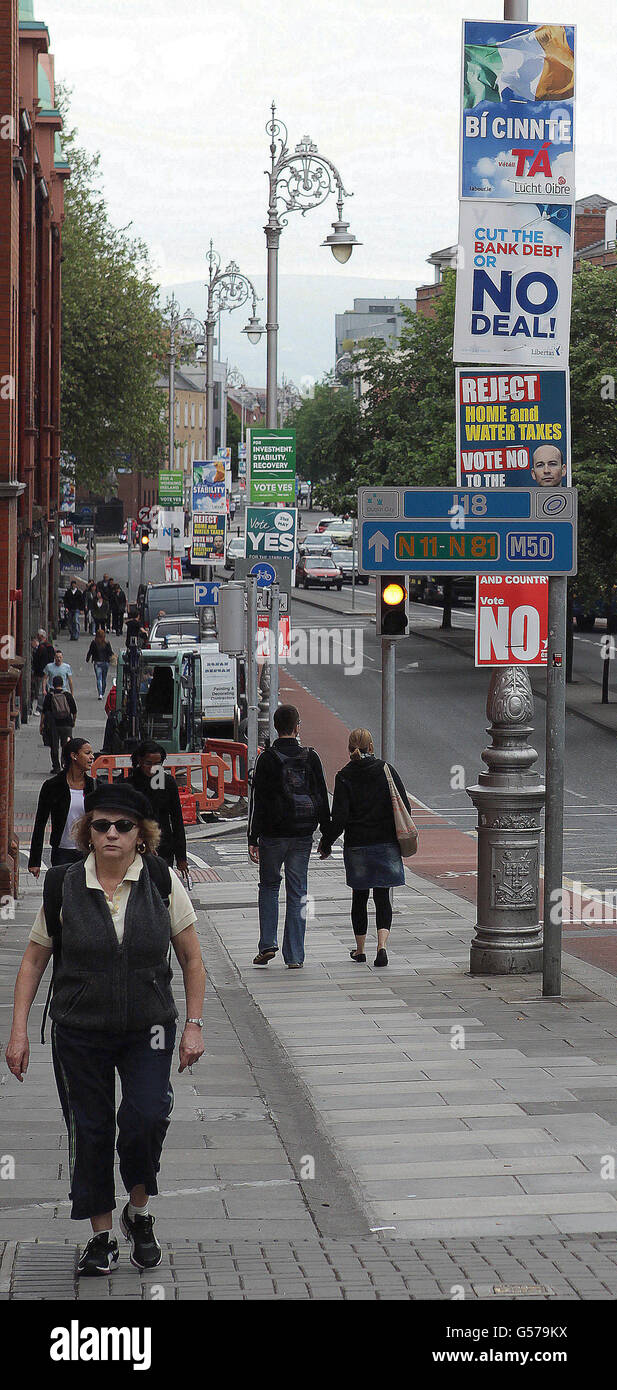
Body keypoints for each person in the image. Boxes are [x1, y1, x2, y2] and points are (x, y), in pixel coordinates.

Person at [7, 782, 205, 1277]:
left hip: (151, 1028)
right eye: (101, 825)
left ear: (142, 834)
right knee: (90, 1128)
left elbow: (192, 958)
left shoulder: (161, 881)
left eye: (123, 826)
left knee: (147, 1115)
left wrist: (195, 1025)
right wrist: (19, 1031)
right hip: (79, 1029)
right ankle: (100, 1236)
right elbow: (33, 961)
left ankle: (137, 1211)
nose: (111, 833)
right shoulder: (63, 886)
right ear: (87, 832)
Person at [318, 728, 411, 968]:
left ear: (350, 749)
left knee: (359, 897)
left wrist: (326, 843)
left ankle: (359, 950)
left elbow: (338, 818)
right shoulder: (386, 770)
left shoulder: (344, 776)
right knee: (382, 896)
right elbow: (404, 806)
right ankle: (382, 946)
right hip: (386, 842)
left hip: (357, 844)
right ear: (371, 747)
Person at [248, 704, 330, 969]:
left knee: (269, 886)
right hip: (302, 832)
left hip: (272, 834)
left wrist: (252, 837)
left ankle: (267, 943)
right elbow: (322, 797)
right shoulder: (311, 757)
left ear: (275, 726)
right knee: (298, 892)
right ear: (297, 727)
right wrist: (326, 836)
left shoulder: (267, 758)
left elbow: (256, 801)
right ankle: (295, 955)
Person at [28, 738, 95, 875]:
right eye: (87, 753)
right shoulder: (52, 786)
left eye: (91, 754)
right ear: (74, 756)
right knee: (62, 892)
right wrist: (35, 861)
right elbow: (40, 823)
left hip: (89, 852)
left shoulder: (94, 786)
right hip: (61, 852)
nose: (92, 757)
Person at [128, 741, 189, 875]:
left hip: (163, 847)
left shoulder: (167, 782)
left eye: (157, 764)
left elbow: (177, 820)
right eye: (148, 763)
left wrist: (181, 856)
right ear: (140, 760)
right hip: (134, 847)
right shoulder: (128, 784)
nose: (152, 769)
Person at [40, 675, 77, 773]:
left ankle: (56, 767)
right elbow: (74, 710)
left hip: (54, 725)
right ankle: (65, 765)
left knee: (54, 746)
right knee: (67, 746)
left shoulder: (49, 696)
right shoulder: (67, 695)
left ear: (53, 684)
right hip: (67, 724)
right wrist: (73, 721)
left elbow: (44, 712)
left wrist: (41, 724)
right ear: (63, 683)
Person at [86, 627, 114, 700]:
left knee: (99, 678)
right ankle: (103, 691)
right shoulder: (106, 643)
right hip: (105, 662)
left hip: (97, 662)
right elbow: (110, 652)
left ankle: (100, 693)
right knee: (104, 678)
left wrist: (87, 658)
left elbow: (90, 651)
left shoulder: (94, 643)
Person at [32, 630, 55, 711]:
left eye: (38, 636)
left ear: (41, 636)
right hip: (44, 672)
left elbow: (38, 660)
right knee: (43, 690)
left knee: (41, 691)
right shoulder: (47, 646)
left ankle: (41, 707)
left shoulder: (44, 647)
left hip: (42, 672)